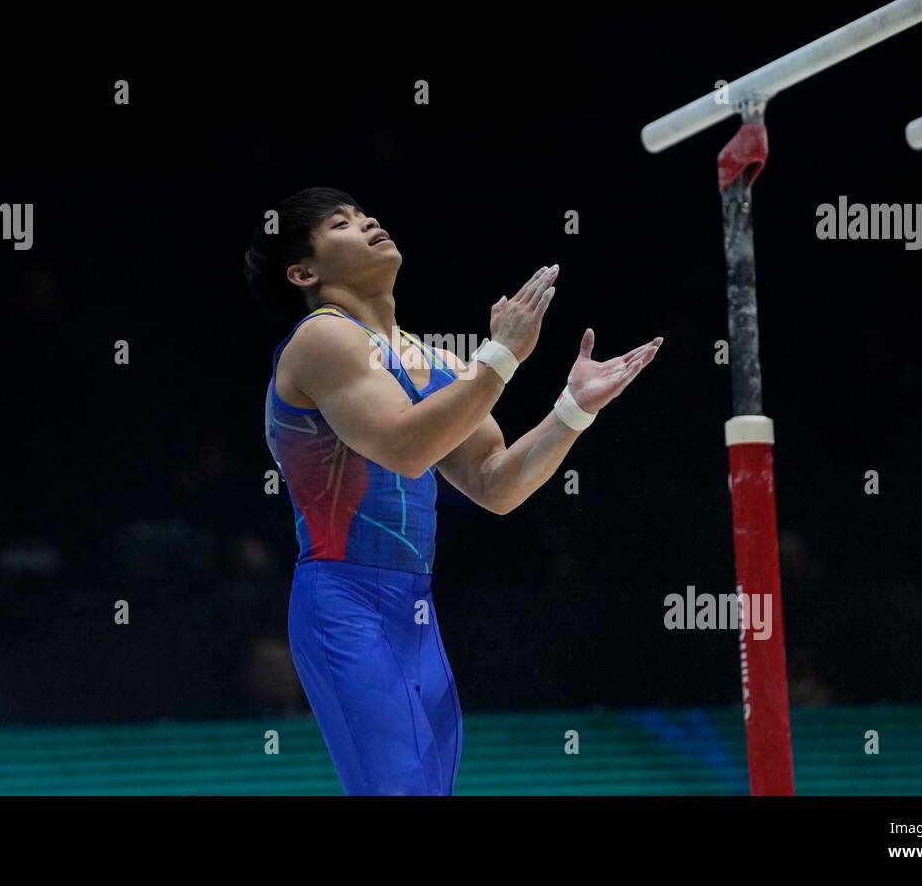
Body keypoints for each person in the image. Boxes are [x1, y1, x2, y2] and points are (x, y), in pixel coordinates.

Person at [243, 187, 662, 794]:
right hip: (345, 604)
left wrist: (572, 410)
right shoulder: (321, 339)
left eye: (366, 215)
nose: (369, 222)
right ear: (304, 271)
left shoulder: (435, 360)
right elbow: (406, 449)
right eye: (342, 223)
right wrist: (500, 356)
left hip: (416, 611)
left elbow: (496, 484)